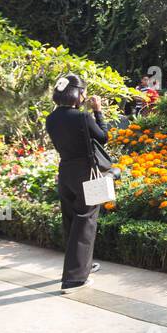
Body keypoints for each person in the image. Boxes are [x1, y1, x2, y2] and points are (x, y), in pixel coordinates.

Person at [44, 72, 107, 290]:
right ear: (77, 94)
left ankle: (82, 265)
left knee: (71, 220)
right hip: (87, 172)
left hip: (66, 172)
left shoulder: (50, 119)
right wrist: (98, 112)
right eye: (83, 92)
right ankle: (75, 277)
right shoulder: (82, 117)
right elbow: (103, 137)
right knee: (86, 220)